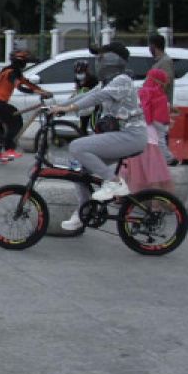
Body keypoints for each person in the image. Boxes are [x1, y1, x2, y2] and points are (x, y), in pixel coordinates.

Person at [50, 43, 147, 232]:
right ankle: (83, 211)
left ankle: (114, 182)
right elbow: (84, 96)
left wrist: (68, 109)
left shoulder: (122, 80)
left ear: (113, 59)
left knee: (77, 147)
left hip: (131, 135)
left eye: (101, 56)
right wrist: (57, 107)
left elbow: (97, 98)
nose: (97, 60)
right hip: (119, 135)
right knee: (80, 170)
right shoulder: (107, 82)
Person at [0, 50, 52, 162]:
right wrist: (37, 93)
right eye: (24, 62)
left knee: (3, 125)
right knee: (16, 122)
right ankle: (8, 150)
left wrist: (43, 91)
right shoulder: (11, 72)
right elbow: (20, 87)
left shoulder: (12, 71)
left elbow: (28, 83)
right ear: (20, 62)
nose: (25, 64)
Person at [121, 68, 174, 194]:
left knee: (133, 176)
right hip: (150, 143)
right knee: (154, 177)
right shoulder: (159, 97)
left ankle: (127, 203)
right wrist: (169, 156)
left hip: (133, 140)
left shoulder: (136, 93)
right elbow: (160, 127)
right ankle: (155, 206)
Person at [147, 33, 176, 163]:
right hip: (155, 104)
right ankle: (162, 158)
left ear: (154, 46)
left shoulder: (165, 61)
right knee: (157, 133)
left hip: (160, 104)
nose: (149, 48)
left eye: (150, 45)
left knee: (160, 133)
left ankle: (166, 158)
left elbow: (166, 81)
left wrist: (154, 94)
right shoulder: (159, 62)